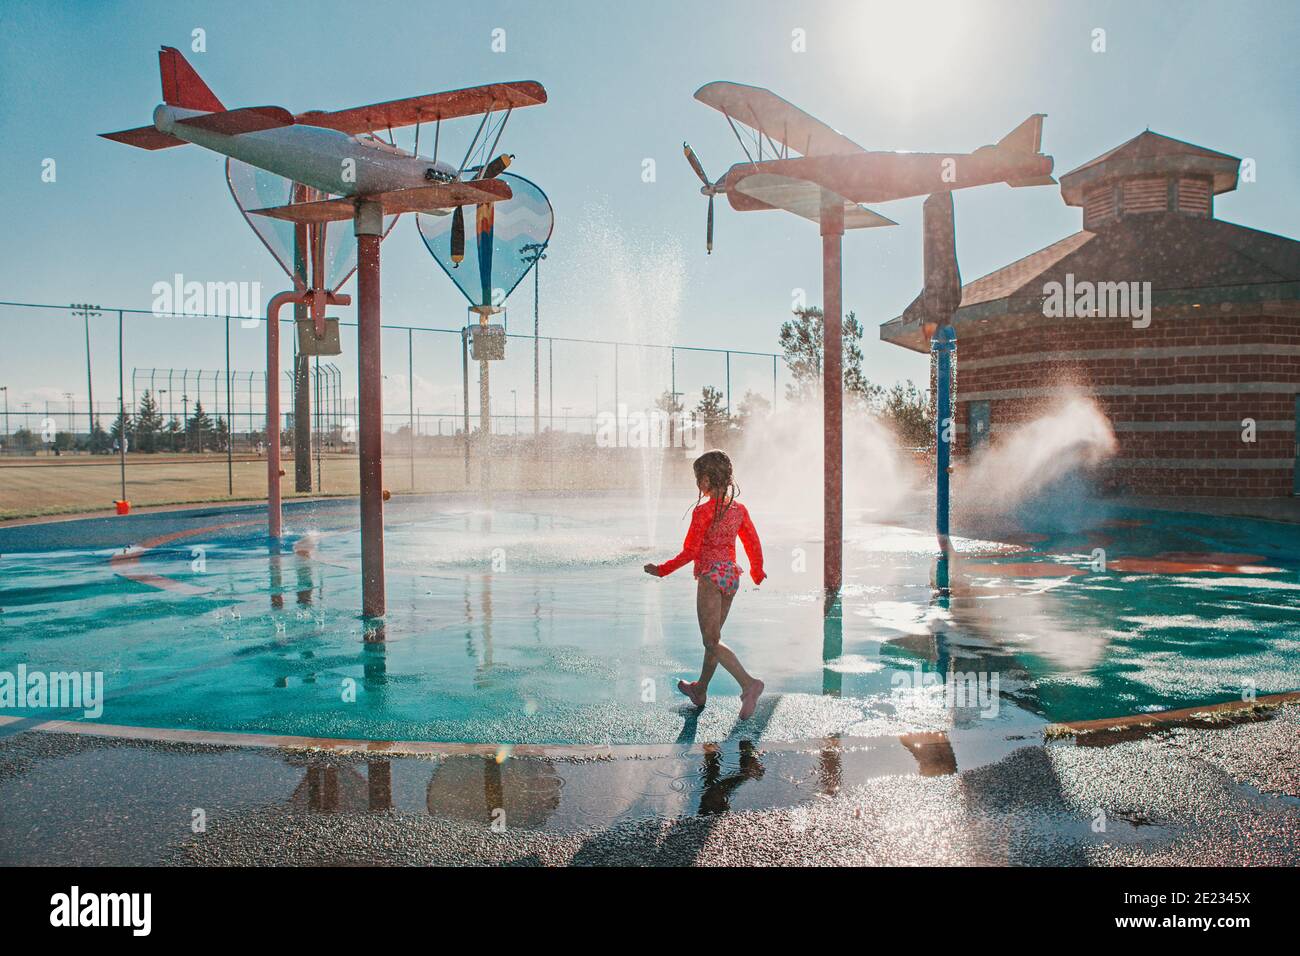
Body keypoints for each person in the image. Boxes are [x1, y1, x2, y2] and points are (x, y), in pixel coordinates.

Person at [644, 449, 766, 719]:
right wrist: (757, 571)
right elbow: (752, 542)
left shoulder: (703, 512)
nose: (698, 484)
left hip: (711, 578)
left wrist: (662, 570)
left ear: (707, 480)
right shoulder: (739, 510)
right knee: (714, 641)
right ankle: (700, 690)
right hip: (732, 577)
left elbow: (690, 552)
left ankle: (749, 684)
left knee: (711, 641)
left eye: (699, 478)